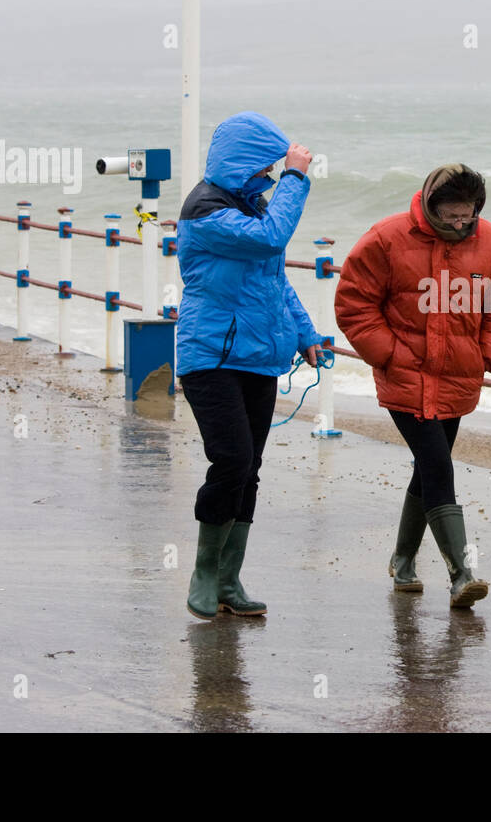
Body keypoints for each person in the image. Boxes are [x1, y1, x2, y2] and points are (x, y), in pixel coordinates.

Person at [335, 164, 491, 609]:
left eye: (468, 216)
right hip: (405, 377)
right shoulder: (387, 237)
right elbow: (354, 301)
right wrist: (390, 354)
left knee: (427, 468)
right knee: (438, 465)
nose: (461, 225)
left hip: (459, 377)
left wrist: (490, 352)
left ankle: (402, 562)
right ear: (430, 206)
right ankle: (463, 575)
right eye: (452, 216)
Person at [175, 111, 322, 620]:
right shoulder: (206, 211)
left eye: (273, 171)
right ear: (243, 164)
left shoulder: (250, 205)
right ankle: (204, 574)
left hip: (257, 358)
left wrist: (304, 334)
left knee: (250, 471)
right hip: (210, 358)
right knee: (232, 461)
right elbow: (271, 240)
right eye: (265, 169)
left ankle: (229, 581)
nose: (268, 177)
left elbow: (274, 279)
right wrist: (296, 177)